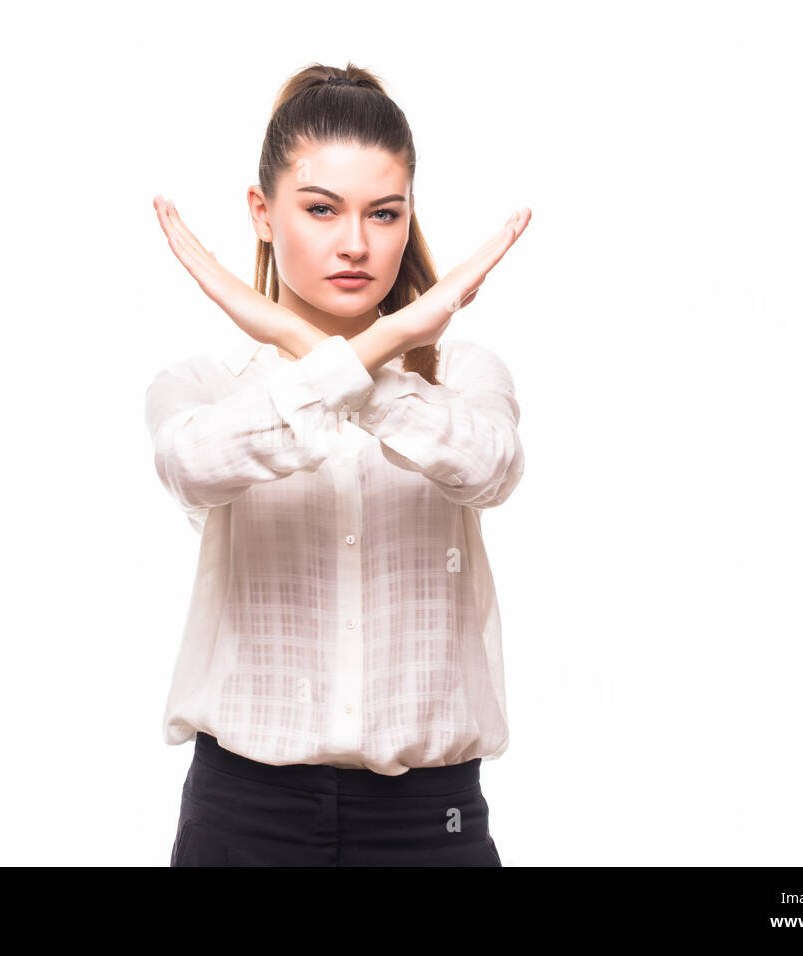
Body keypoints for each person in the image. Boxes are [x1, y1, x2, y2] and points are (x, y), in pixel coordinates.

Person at [145, 61, 531, 866]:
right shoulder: (206, 387)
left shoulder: (463, 376)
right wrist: (353, 346)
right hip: (244, 817)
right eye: (321, 209)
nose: (355, 244)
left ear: (408, 216)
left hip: (433, 821)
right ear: (262, 212)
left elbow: (490, 467)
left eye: (383, 214)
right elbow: (195, 464)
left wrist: (359, 352)